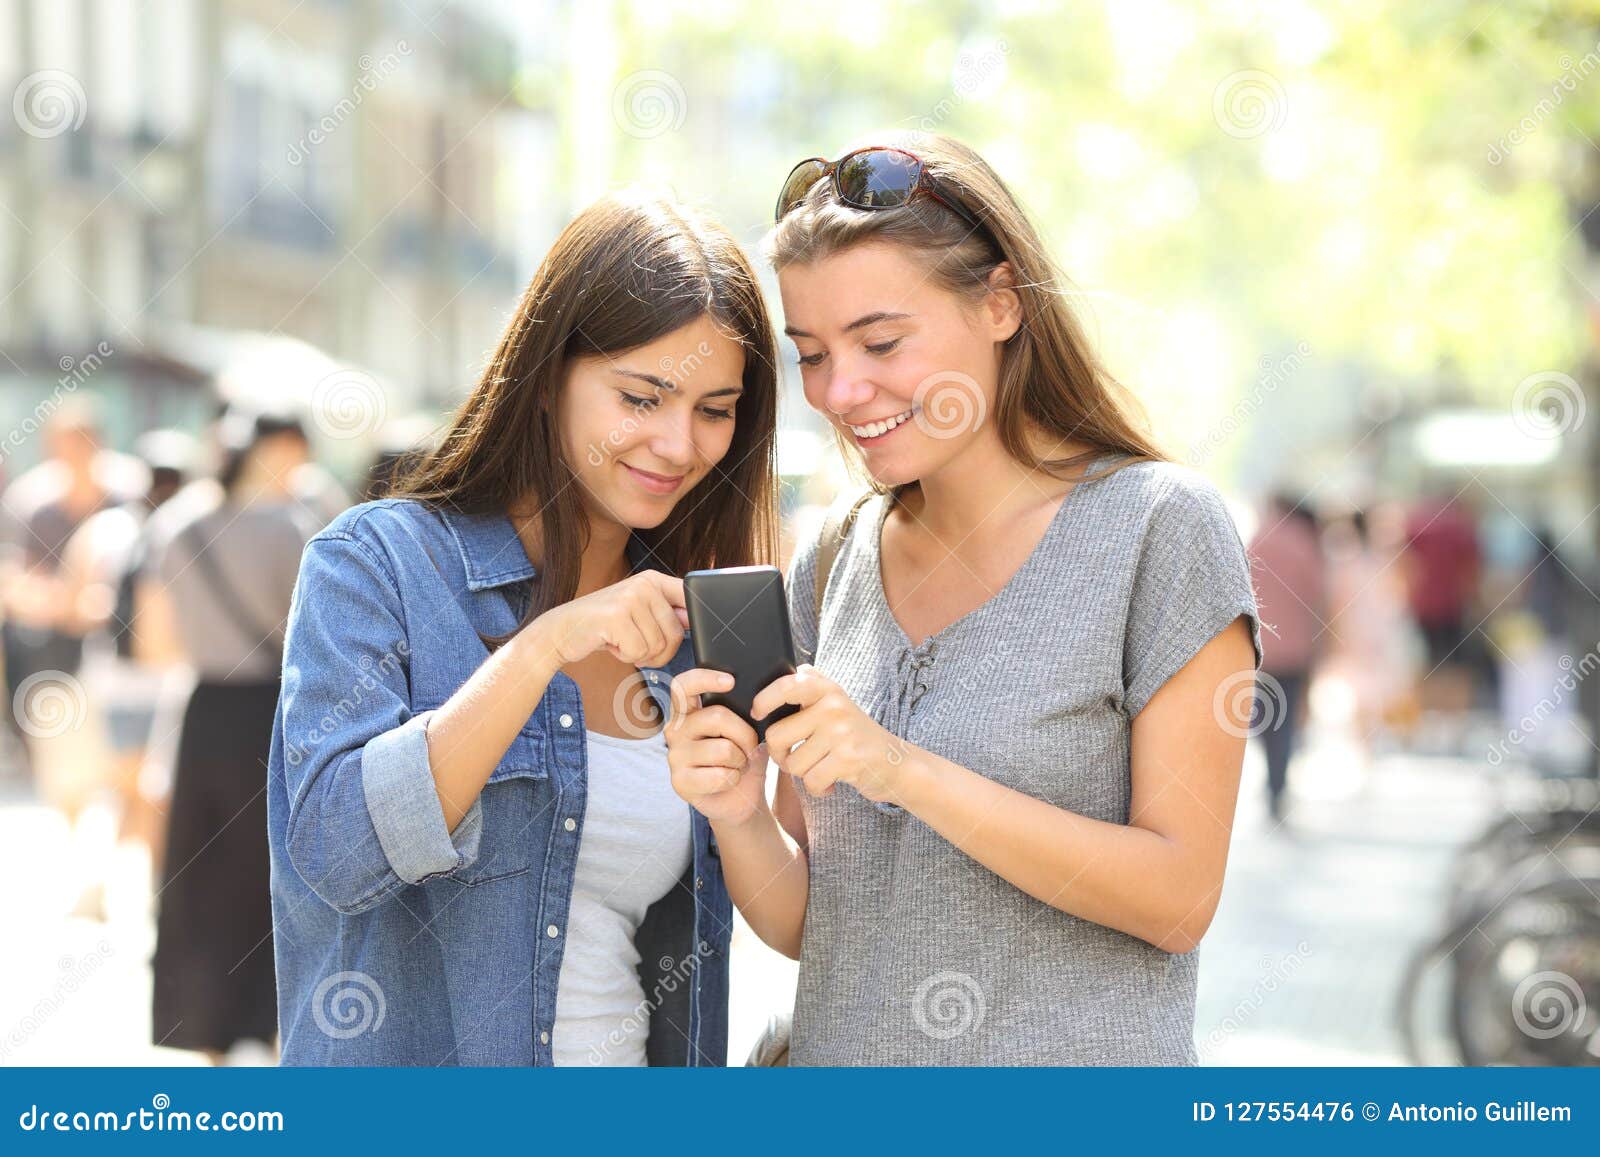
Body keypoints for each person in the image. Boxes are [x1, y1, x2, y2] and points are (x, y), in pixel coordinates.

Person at [667, 134, 1262, 1065]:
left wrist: (900, 768)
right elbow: (814, 926)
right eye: (812, 354)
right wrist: (738, 811)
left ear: (1000, 303)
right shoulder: (835, 556)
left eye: (881, 342)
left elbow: (1179, 897)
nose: (841, 390)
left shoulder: (1157, 528)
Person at [267, 191, 779, 1066]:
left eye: (714, 409)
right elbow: (339, 850)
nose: (678, 443)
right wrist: (543, 646)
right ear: (547, 377)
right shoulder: (378, 564)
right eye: (642, 396)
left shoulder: (691, 633)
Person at [139, 409, 323, 1063]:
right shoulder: (292, 527)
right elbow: (310, 635)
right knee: (271, 868)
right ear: (271, 453)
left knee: (196, 872)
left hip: (202, 708)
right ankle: (270, 1026)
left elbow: (153, 644)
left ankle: (202, 1029)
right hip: (271, 709)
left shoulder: (174, 525)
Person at [1247, 492, 1326, 822]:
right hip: (1294, 648)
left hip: (1258, 649)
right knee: (1286, 719)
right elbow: (1319, 597)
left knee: (1263, 717)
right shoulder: (1303, 544)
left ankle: (1273, 781)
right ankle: (1277, 785)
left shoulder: (1257, 540)